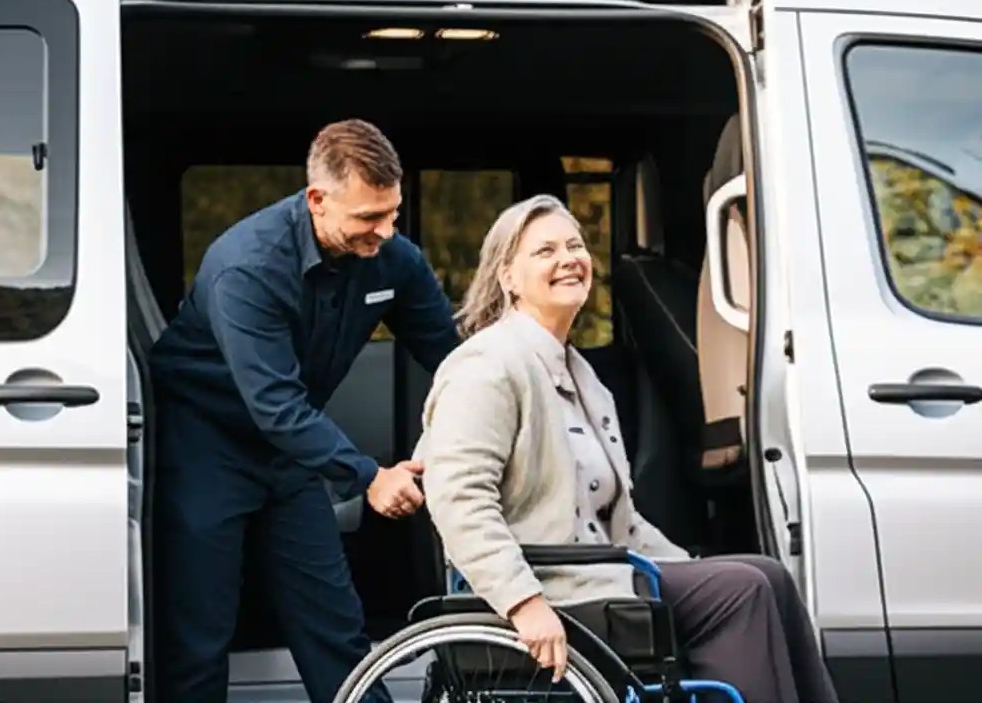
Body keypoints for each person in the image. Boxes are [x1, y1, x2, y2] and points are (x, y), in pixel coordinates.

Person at [414, 194, 839, 703]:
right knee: (741, 592)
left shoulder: (582, 377)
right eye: (546, 251)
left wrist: (688, 566)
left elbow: (622, 523)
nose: (568, 259)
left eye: (575, 246)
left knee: (768, 575)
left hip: (600, 575)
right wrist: (523, 602)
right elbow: (459, 500)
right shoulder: (487, 366)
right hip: (550, 588)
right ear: (508, 277)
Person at [148, 119, 460, 703]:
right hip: (205, 446)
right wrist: (369, 476)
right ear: (317, 200)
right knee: (199, 641)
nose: (385, 231)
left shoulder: (391, 257)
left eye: (392, 213)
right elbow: (276, 405)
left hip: (289, 454)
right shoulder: (248, 267)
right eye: (368, 217)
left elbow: (451, 354)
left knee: (336, 630)